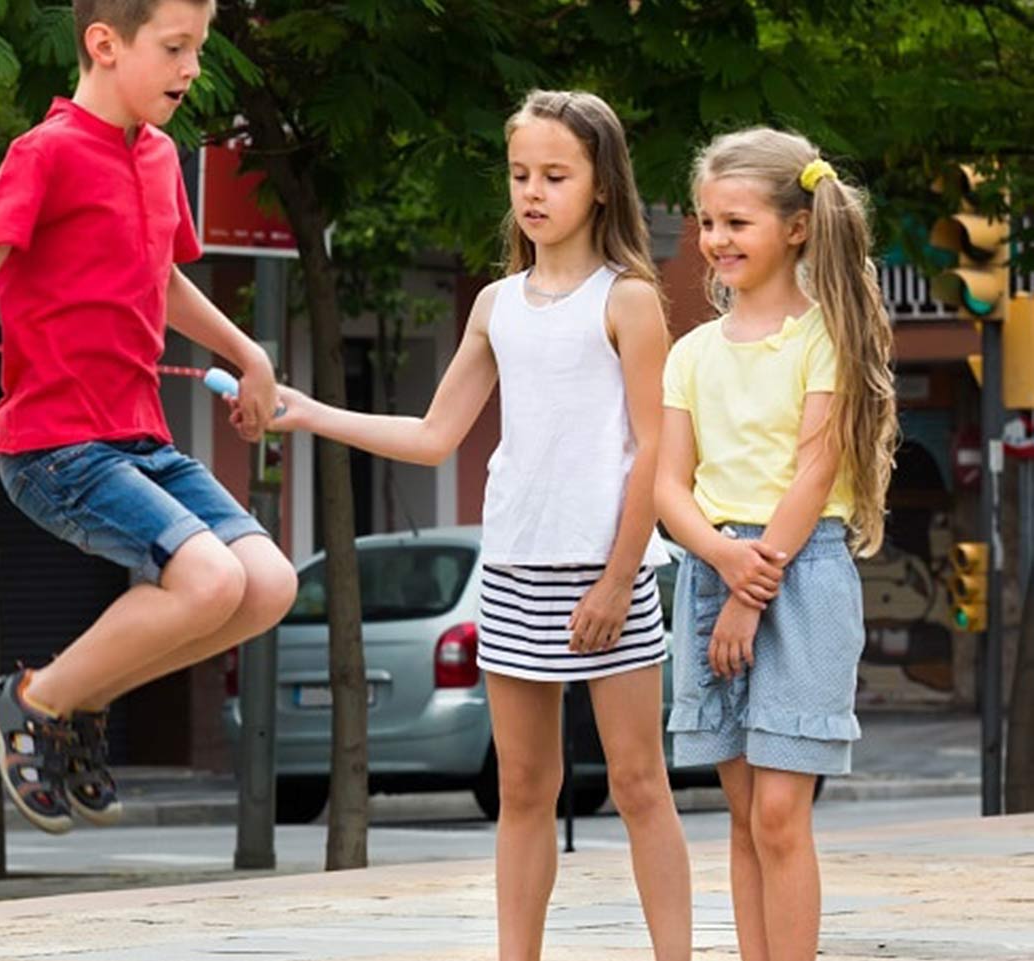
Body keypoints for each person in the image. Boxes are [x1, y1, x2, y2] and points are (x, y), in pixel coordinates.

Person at [0, 0, 296, 835]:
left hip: (139, 440)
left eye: (198, 47)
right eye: (175, 48)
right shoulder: (42, 155)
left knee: (267, 585)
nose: (193, 68)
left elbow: (162, 279)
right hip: (55, 447)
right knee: (211, 578)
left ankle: (79, 697)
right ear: (104, 45)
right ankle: (29, 701)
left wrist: (250, 353)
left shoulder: (158, 157)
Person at [265, 91, 692, 961]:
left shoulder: (631, 299)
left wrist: (618, 579)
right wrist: (308, 410)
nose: (532, 192)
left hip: (607, 573)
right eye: (520, 174)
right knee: (527, 788)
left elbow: (656, 449)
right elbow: (431, 437)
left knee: (640, 783)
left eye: (555, 175)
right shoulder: (495, 303)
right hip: (511, 574)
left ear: (602, 185)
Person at [658, 126, 897, 961]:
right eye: (708, 222)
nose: (716, 240)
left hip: (796, 577)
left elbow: (813, 471)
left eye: (737, 222)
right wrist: (719, 561)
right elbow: (666, 487)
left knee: (779, 812)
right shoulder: (689, 353)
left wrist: (747, 591)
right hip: (711, 569)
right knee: (742, 807)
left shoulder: (827, 334)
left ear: (795, 226)